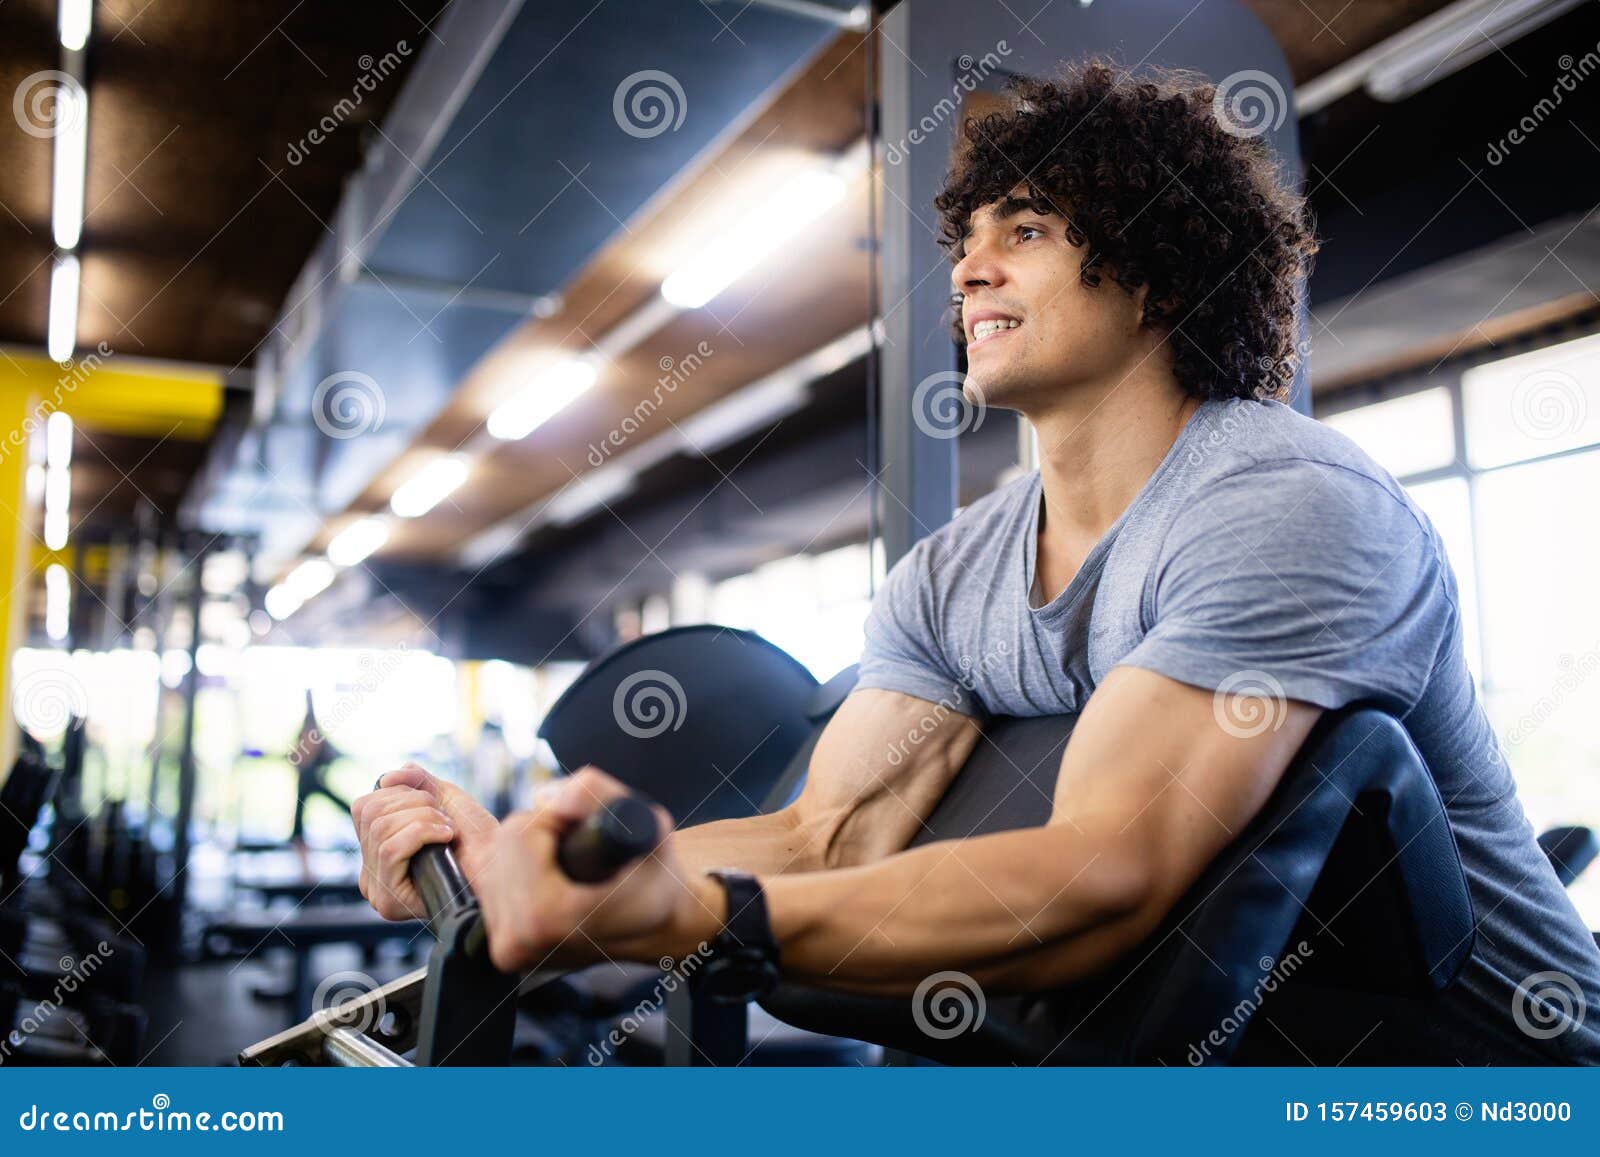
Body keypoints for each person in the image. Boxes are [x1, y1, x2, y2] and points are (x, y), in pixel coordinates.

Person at [351, 61, 1600, 1064]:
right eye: (970, 237)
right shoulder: (954, 576)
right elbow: (828, 835)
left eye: (1031, 229)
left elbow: (1107, 872)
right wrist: (536, 875)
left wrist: (706, 920)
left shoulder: (1286, 505)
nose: (969, 266)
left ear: (1157, 272)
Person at [288, 689, 351, 876]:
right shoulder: (309, 731)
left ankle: (306, 871)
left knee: (298, 829)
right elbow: (300, 758)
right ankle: (306, 871)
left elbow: (302, 757)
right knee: (298, 829)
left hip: (310, 779)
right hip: (308, 779)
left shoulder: (311, 731)